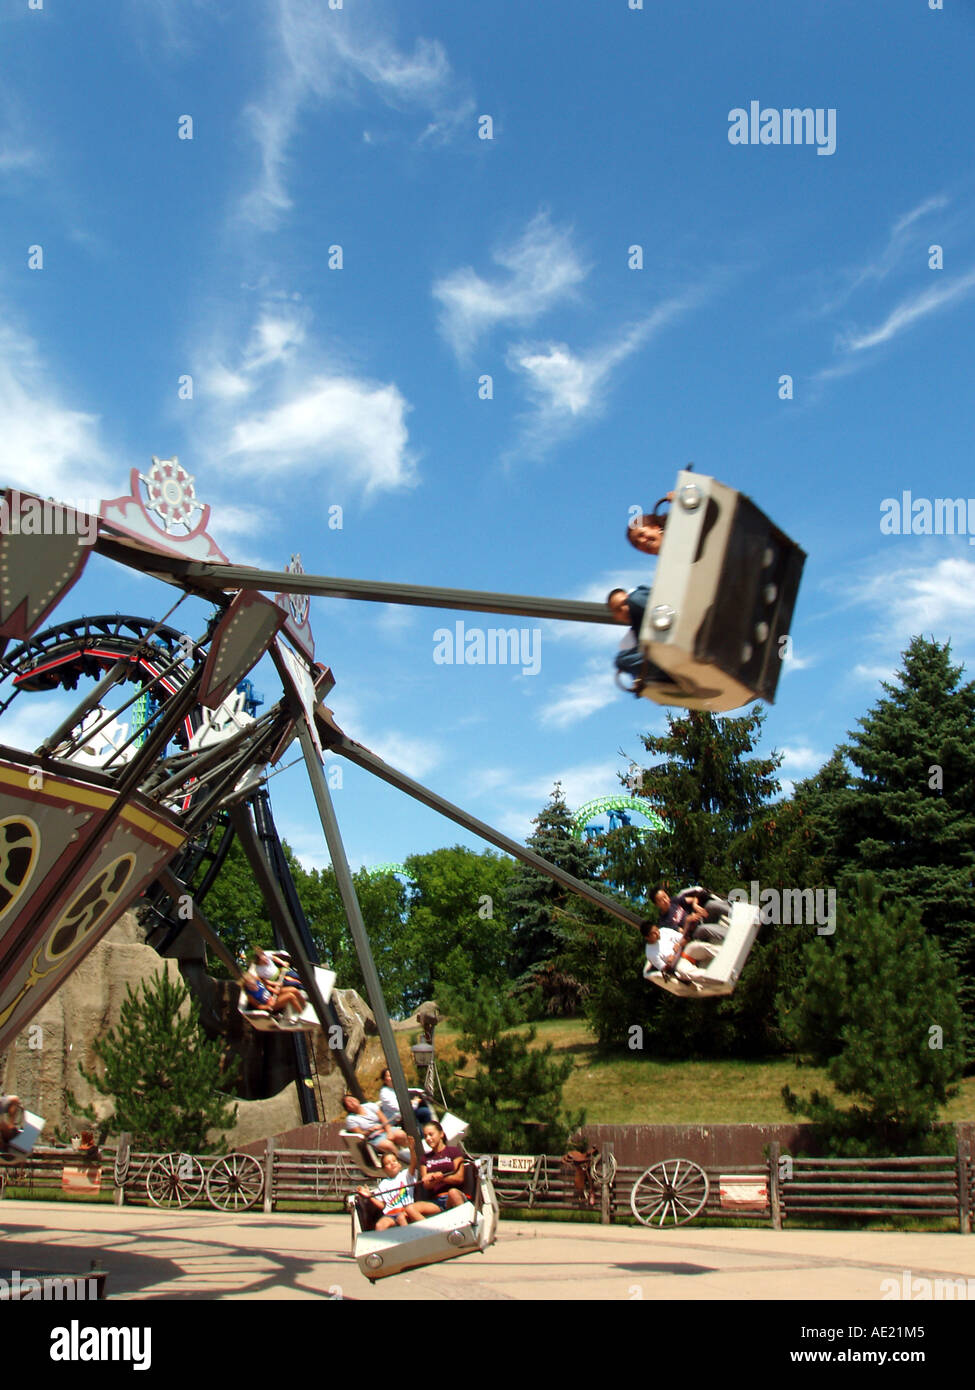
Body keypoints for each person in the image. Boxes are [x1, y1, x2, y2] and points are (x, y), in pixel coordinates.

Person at [607, 587, 671, 686]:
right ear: (616, 617)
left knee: (622, 660)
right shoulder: (633, 637)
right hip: (666, 657)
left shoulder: (636, 597)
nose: (625, 609)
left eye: (624, 603)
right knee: (622, 660)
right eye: (618, 610)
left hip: (670, 633)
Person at [356, 1140, 423, 1230]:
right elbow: (382, 1205)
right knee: (380, 1225)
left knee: (401, 1219)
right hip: (390, 1213)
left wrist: (411, 1150)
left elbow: (413, 1163)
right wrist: (369, 1196)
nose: (392, 1163)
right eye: (388, 1163)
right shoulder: (383, 1184)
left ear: (399, 1164)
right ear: (384, 1169)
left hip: (404, 1210)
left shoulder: (406, 1175)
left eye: (394, 1161)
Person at [416, 1121, 467, 1211]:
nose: (428, 1138)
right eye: (425, 1136)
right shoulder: (424, 1158)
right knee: (411, 1209)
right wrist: (433, 1178)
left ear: (441, 1134)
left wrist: (441, 1178)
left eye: (431, 1134)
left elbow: (459, 1178)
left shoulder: (454, 1151)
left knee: (453, 1193)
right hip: (436, 1201)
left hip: (454, 1194)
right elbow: (426, 1184)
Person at [342, 1095, 409, 1158]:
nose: (352, 1101)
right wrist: (370, 1130)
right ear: (348, 1108)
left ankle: (410, 1152)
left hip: (384, 1130)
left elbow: (384, 1120)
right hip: (373, 1138)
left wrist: (389, 1132)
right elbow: (359, 1135)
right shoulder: (351, 1119)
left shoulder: (370, 1106)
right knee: (388, 1145)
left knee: (401, 1135)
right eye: (349, 1102)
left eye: (352, 1099)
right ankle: (402, 1160)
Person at [240, 970, 307, 1021]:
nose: (253, 986)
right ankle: (302, 1016)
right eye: (250, 985)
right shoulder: (250, 995)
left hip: (273, 996)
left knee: (293, 990)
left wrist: (273, 990)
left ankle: (304, 1006)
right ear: (246, 985)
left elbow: (266, 986)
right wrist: (267, 1006)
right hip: (271, 1005)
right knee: (290, 996)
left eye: (253, 983)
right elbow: (258, 1006)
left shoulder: (257, 980)